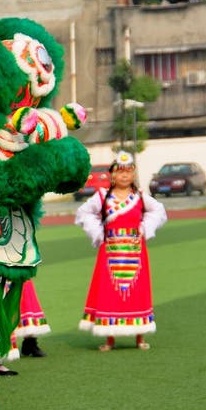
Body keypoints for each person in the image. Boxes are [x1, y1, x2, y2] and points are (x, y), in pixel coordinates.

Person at [75, 150, 167, 351]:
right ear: (113, 174)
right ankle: (109, 339)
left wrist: (145, 228)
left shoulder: (141, 196)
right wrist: (98, 233)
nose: (124, 175)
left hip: (135, 251)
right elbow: (84, 213)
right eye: (120, 171)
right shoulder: (102, 196)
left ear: (133, 174)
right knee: (109, 292)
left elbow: (158, 210)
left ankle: (139, 337)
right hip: (110, 251)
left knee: (137, 291)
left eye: (128, 171)